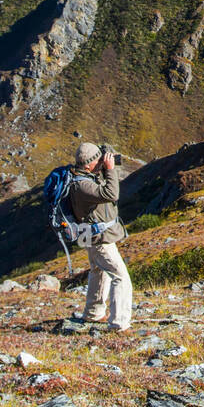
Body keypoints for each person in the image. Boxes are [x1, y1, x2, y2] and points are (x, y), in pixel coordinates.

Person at [70, 141, 131, 332]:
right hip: (99, 239)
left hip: (92, 235)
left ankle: (93, 312)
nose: (101, 162)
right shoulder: (82, 186)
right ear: (88, 165)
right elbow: (111, 194)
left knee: (98, 271)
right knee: (120, 277)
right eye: (97, 160)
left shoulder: (84, 177)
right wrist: (111, 169)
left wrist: (104, 169)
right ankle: (119, 323)